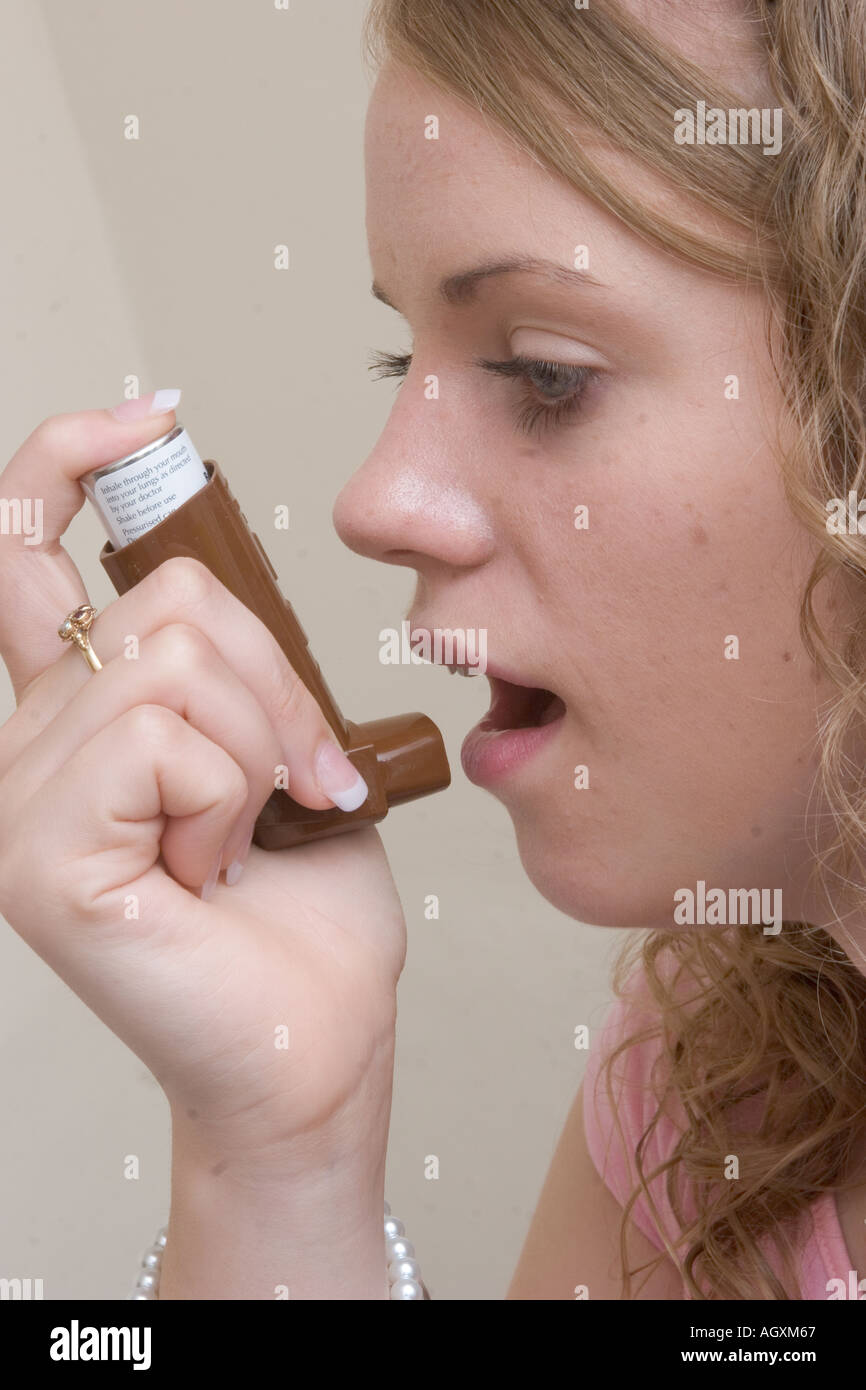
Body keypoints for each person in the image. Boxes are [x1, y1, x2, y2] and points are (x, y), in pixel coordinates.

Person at [1, 0, 864, 1300]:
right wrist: (281, 1159)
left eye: (541, 371)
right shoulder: (714, 1092)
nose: (372, 501)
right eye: (399, 355)